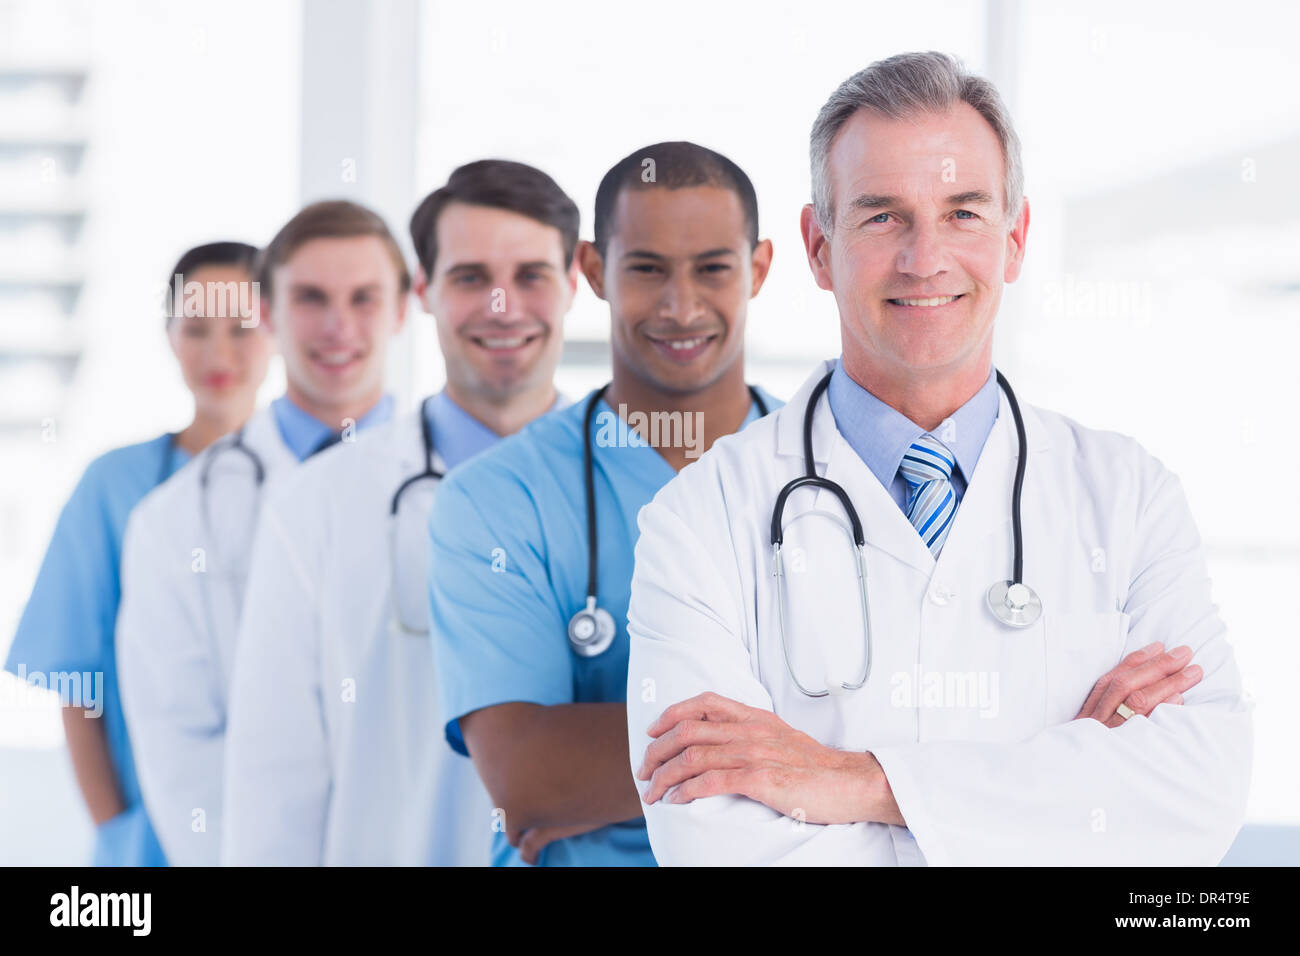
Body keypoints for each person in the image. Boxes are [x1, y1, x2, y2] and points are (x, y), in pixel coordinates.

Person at [626, 52, 1253, 866]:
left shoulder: (1129, 497)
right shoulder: (701, 518)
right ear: (819, 247)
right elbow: (716, 849)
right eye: (883, 216)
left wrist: (857, 783)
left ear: (1016, 237)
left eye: (963, 213)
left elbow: (1200, 795)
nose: (926, 260)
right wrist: (1064, 785)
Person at [429, 141, 782, 866]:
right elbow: (529, 779)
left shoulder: (830, 476)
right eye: (647, 268)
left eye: (712, 268)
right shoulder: (497, 499)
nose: (680, 307)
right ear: (592, 271)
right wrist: (808, 739)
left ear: (759, 268)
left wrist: (616, 747)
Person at [221, 160, 580, 865]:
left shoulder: (641, 493)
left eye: (531, 276)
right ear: (423, 291)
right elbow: (274, 781)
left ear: (574, 284)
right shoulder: (318, 503)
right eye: (471, 277)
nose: (502, 307)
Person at [116, 201, 410, 865]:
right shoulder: (173, 521)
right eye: (311, 297)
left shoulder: (461, 492)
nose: (338, 326)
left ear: (403, 309)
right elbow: (180, 749)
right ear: (271, 313)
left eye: (364, 297)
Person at [4, 241, 273, 866]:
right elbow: (77, 678)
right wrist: (120, 831)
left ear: (279, 327)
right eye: (197, 328)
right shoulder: (114, 486)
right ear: (169, 335)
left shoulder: (317, 484)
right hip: (149, 837)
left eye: (242, 327)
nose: (220, 352)